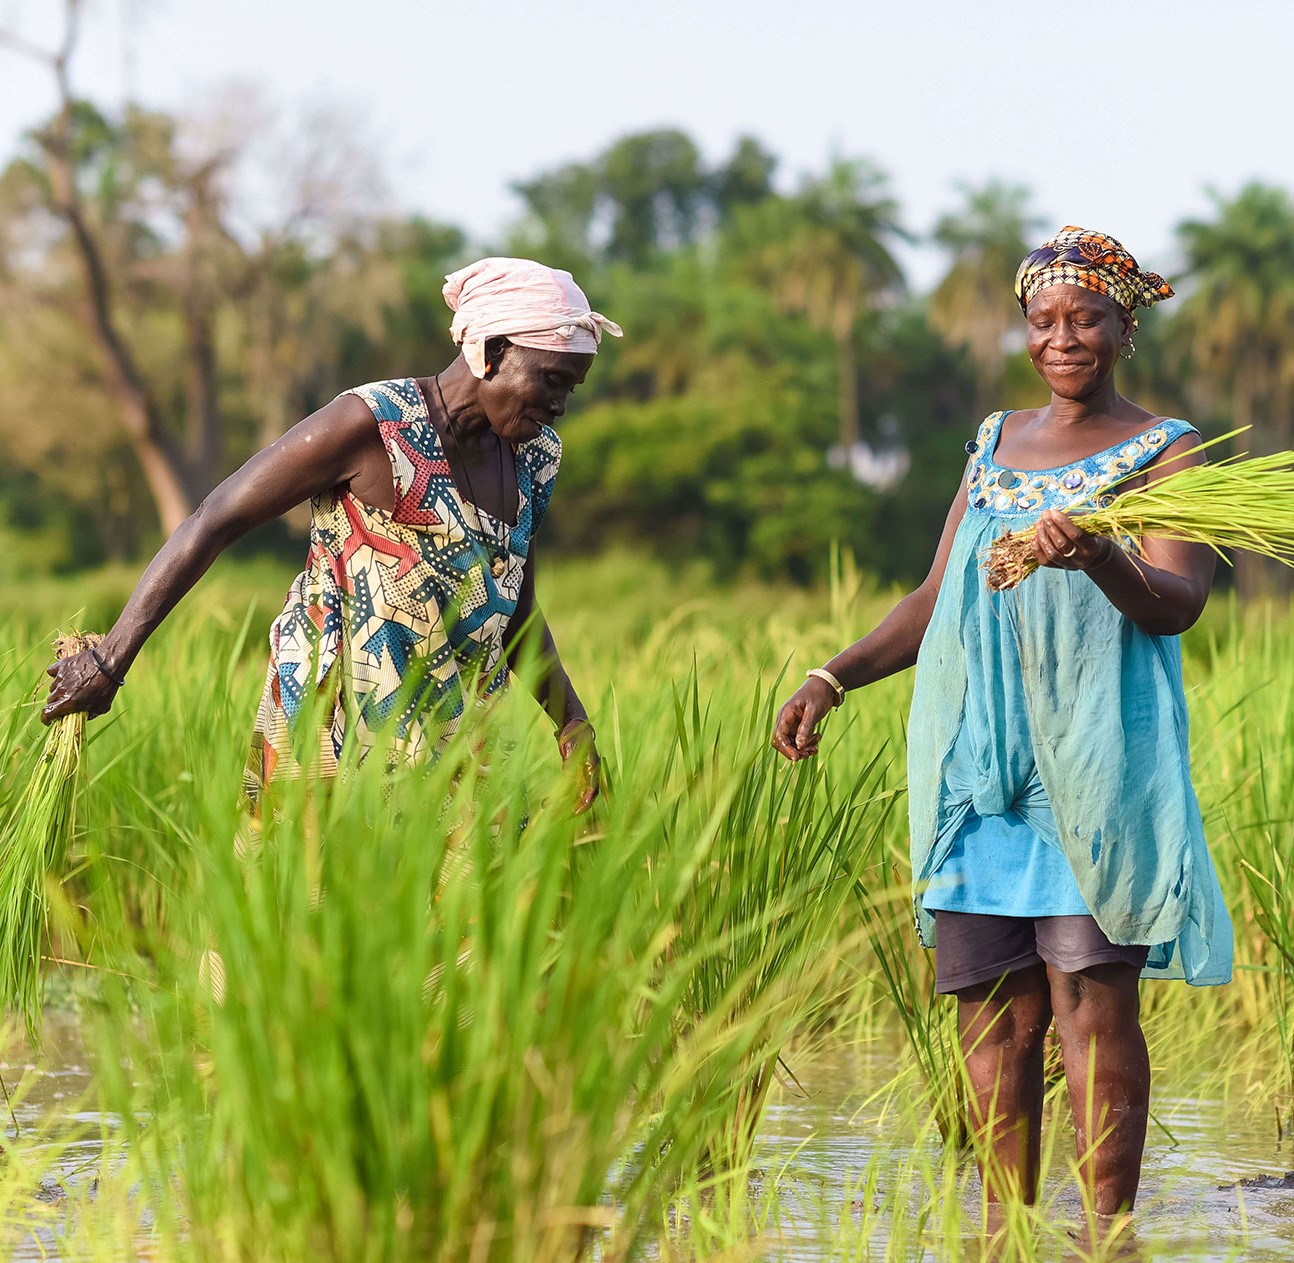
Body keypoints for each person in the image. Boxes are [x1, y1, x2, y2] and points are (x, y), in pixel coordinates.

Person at [771, 227, 1233, 1215]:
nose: (1061, 340)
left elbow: (1177, 602)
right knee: (991, 1019)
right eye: (1042, 322)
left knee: (1088, 1004)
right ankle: (1001, 1234)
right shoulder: (992, 441)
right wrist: (830, 676)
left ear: (1123, 326)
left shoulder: (1164, 448)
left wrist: (1095, 557)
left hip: (1096, 763)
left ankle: (1105, 1236)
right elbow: (935, 597)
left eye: (1085, 320)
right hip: (977, 767)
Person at [42, 257, 621, 810]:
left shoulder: (535, 458)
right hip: (331, 723)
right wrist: (109, 660)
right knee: (312, 901)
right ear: (491, 352)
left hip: (457, 729)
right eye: (552, 380)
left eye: (571, 387)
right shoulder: (371, 424)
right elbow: (214, 519)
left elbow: (515, 604)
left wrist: (572, 722)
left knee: (472, 904)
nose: (561, 404)